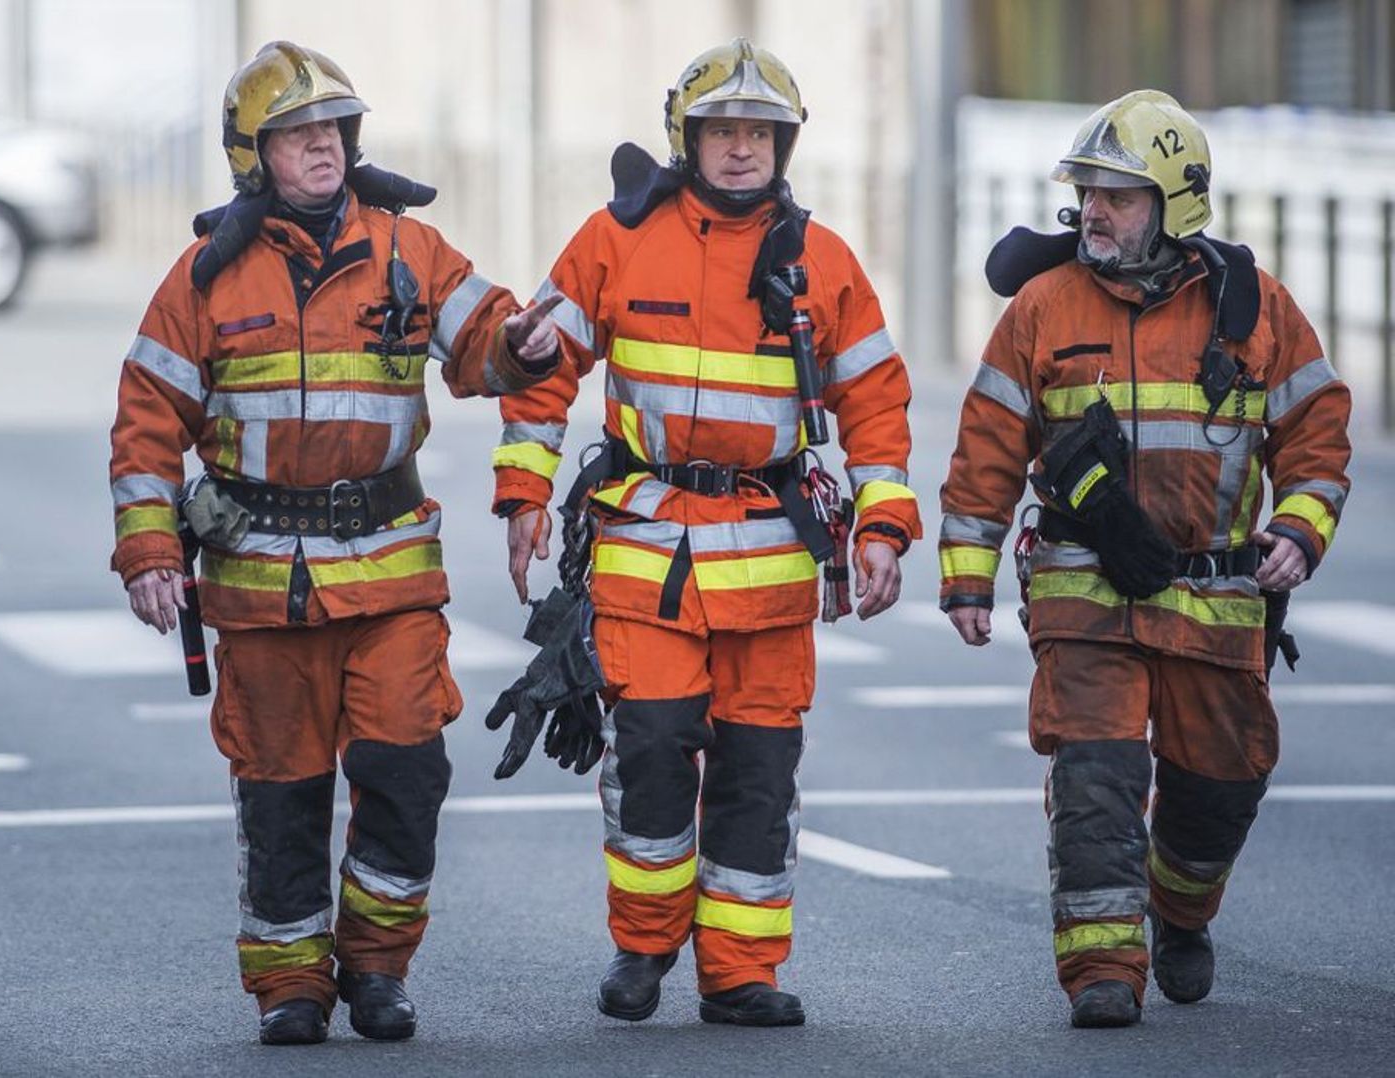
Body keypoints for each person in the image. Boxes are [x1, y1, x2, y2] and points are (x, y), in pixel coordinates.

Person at [108, 41, 560, 1046]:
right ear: (252, 154)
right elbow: (146, 419)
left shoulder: (408, 249)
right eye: (296, 134)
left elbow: (488, 336)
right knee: (281, 790)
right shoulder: (204, 277)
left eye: (331, 131)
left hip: (390, 569)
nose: (320, 148)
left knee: (407, 772)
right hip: (258, 580)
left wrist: (521, 344)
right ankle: (290, 985)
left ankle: (378, 964)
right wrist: (147, 549)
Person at [494, 39, 921, 1027]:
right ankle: (643, 949)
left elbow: (876, 403)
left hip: (772, 558)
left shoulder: (822, 261)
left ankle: (739, 972)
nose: (741, 150)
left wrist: (885, 525)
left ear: (784, 145)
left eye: (759, 133)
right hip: (650, 550)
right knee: (648, 752)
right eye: (723, 132)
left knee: (758, 775)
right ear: (687, 141)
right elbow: (540, 363)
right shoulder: (616, 236)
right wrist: (524, 488)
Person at [938, 89, 1351, 1028]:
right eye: (1088, 191)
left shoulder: (1257, 309)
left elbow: (1318, 430)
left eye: (1118, 195)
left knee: (1220, 787)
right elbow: (989, 445)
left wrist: (1299, 527)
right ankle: (1103, 974)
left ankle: (1181, 911)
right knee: (1097, 779)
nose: (1093, 210)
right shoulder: (1041, 306)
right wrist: (967, 573)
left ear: (1175, 204)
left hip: (1216, 598)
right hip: (1083, 592)